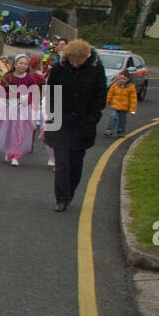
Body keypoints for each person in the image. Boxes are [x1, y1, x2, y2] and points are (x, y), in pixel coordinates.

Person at [45, 38, 107, 212]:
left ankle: (70, 192)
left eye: (78, 61)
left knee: (75, 163)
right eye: (72, 60)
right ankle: (61, 198)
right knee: (62, 162)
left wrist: (93, 118)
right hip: (61, 120)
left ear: (86, 57)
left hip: (83, 122)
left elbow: (100, 95)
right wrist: (52, 113)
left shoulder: (96, 70)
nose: (75, 63)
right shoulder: (60, 68)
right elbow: (51, 92)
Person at [0, 54, 40, 165]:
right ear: (15, 64)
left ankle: (16, 155)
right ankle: (9, 150)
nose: (23, 66)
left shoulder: (30, 78)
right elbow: (1, 92)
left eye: (26, 64)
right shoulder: (8, 77)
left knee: (19, 131)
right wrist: (12, 95)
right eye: (21, 63)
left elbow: (33, 92)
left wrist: (26, 99)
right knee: (9, 131)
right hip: (10, 107)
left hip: (23, 108)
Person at [104, 69, 138, 137]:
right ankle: (109, 130)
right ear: (119, 77)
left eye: (124, 79)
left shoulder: (131, 87)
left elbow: (133, 99)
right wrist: (106, 103)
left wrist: (132, 109)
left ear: (128, 79)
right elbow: (109, 95)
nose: (122, 80)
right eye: (121, 78)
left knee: (122, 120)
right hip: (115, 106)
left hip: (124, 107)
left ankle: (121, 131)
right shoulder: (115, 85)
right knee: (113, 117)